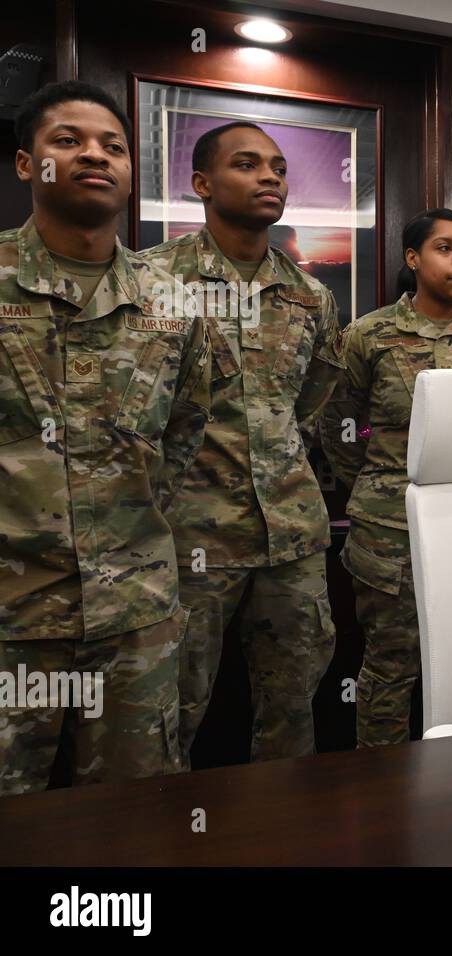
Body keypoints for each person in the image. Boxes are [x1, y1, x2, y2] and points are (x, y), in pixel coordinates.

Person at [0, 81, 210, 793]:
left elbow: (183, 432)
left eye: (114, 146)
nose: (95, 154)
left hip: (136, 618)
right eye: (69, 140)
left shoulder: (173, 301)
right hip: (10, 623)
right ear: (28, 164)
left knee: (133, 825)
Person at [141, 121, 345, 765]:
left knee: (292, 712)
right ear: (202, 184)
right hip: (189, 538)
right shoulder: (151, 282)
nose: (269, 178)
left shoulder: (311, 296)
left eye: (279, 169)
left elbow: (307, 407)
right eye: (248, 165)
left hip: (291, 535)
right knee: (170, 711)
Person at [323, 209, 452, 746]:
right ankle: (381, 789)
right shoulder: (369, 335)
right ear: (412, 259)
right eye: (444, 248)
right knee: (391, 666)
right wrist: (376, 486)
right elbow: (337, 426)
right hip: (389, 535)